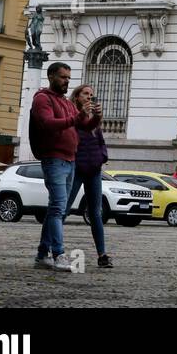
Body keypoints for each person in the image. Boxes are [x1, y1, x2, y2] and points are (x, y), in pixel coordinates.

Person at [29, 62, 97, 272]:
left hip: (70, 160)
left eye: (68, 77)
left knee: (55, 210)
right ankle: (58, 254)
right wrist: (76, 117)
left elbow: (83, 126)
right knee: (58, 208)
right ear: (50, 77)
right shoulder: (42, 99)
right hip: (54, 159)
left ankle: (42, 255)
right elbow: (47, 123)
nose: (67, 81)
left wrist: (97, 117)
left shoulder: (66, 102)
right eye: (62, 77)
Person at [68, 84, 113, 268]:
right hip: (77, 169)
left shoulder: (93, 119)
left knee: (96, 213)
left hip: (94, 170)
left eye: (91, 95)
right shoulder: (72, 116)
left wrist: (102, 156)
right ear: (77, 97)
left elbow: (100, 140)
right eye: (85, 94)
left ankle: (102, 255)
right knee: (64, 208)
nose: (89, 97)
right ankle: (51, 249)